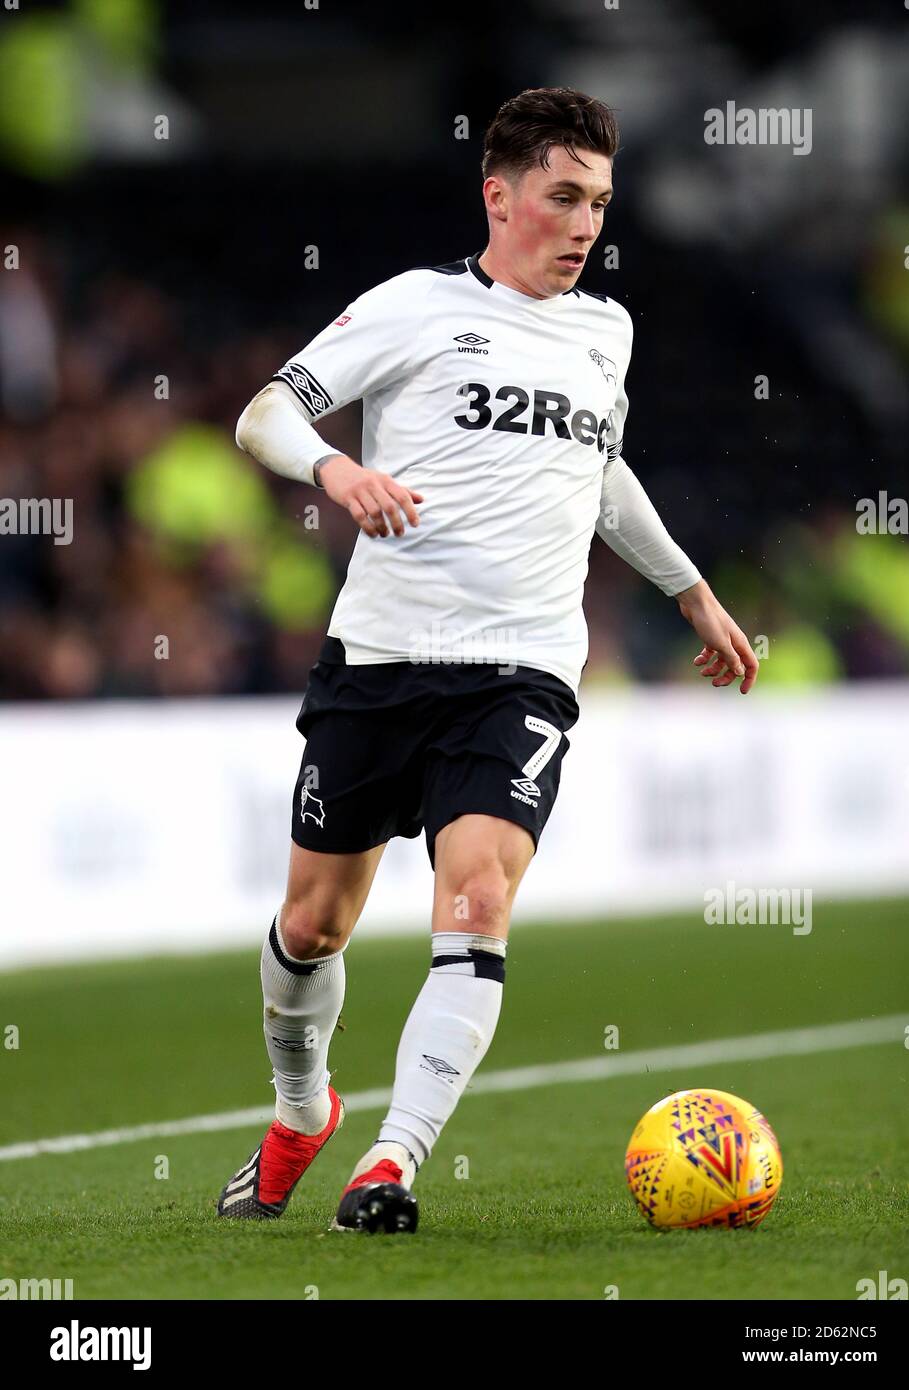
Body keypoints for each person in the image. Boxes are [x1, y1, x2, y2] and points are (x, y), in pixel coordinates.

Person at [218, 86, 758, 1234]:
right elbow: (265, 414)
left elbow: (600, 473)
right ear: (498, 194)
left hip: (520, 672)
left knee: (475, 895)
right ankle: (302, 1110)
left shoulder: (606, 331)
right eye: (563, 197)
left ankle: (392, 1162)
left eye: (601, 203)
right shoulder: (414, 308)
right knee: (313, 924)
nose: (583, 225)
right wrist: (337, 472)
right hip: (379, 661)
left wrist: (690, 587)